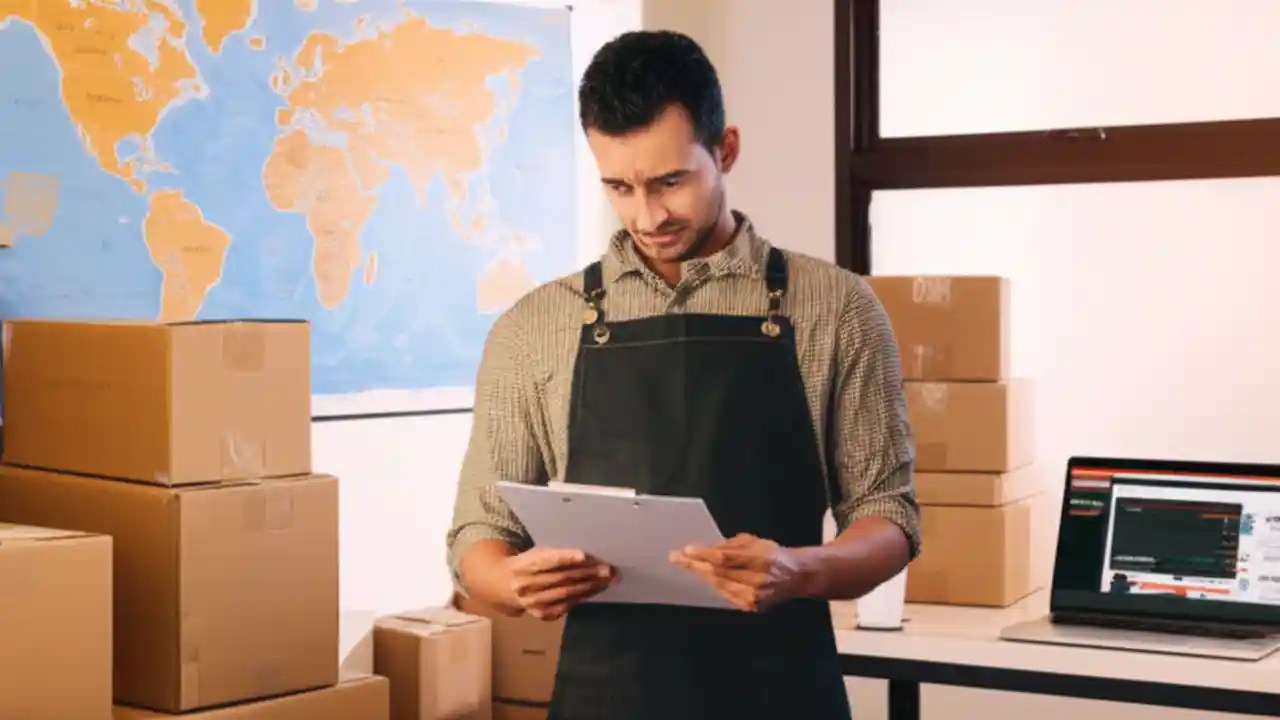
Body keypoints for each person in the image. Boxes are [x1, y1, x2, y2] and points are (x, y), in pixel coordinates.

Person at [446, 29, 920, 720]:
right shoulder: (534, 328)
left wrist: (799, 569)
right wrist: (512, 582)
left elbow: (889, 516)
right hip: (604, 698)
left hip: (783, 694)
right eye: (619, 186)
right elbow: (475, 536)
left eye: (670, 181)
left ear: (724, 149)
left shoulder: (838, 309)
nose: (648, 214)